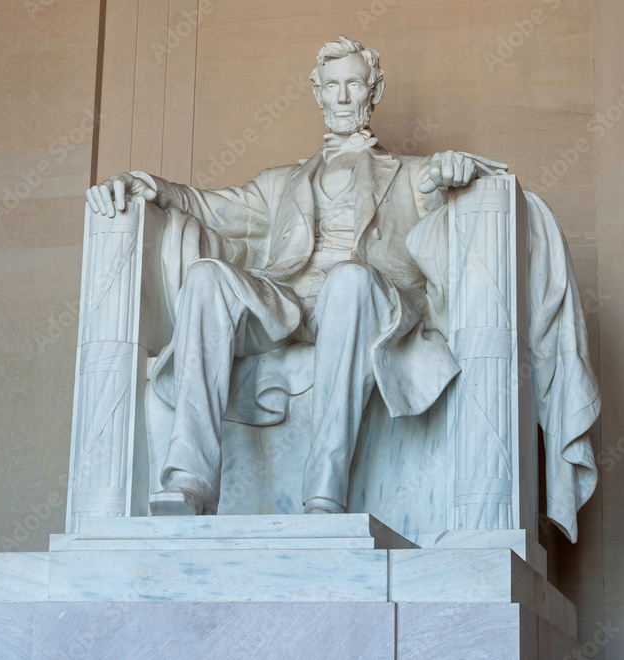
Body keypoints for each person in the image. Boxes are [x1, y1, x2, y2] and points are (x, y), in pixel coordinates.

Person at [86, 36, 512, 517]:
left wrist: (454, 173)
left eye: (354, 83)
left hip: (363, 301)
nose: (344, 96)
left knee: (349, 280)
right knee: (206, 276)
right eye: (333, 85)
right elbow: (208, 205)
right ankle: (190, 480)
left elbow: (445, 215)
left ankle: (324, 492)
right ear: (318, 93)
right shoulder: (280, 182)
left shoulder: (414, 173)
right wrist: (145, 185)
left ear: (375, 90)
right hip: (287, 302)